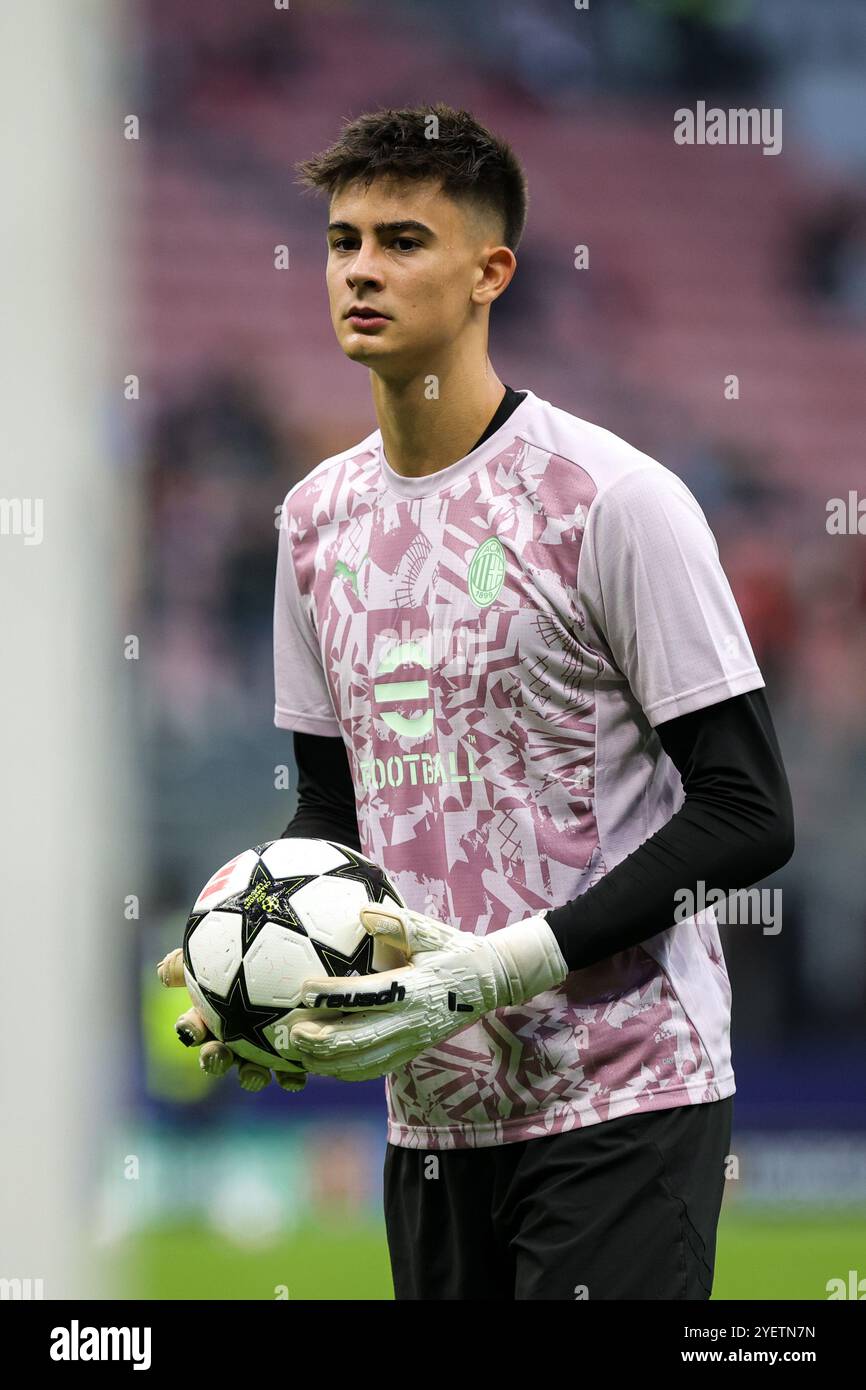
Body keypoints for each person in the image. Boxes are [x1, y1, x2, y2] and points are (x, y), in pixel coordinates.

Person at [158, 103, 794, 1300]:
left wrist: (496, 966)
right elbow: (330, 819)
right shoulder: (310, 523)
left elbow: (748, 811)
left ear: (490, 270)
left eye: (401, 240)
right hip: (432, 1111)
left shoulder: (612, 500)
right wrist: (255, 955)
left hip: (620, 1090)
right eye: (343, 241)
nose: (359, 269)